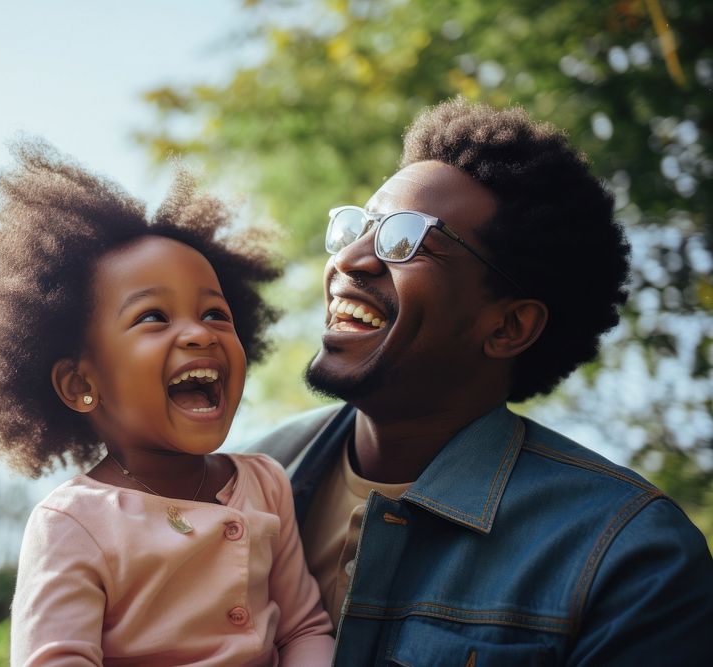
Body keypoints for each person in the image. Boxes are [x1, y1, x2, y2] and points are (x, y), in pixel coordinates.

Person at [250, 98, 713, 665]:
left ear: (508, 326)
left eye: (407, 240)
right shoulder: (228, 482)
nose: (350, 258)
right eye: (358, 227)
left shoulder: (627, 557)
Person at [0, 141, 334, 666]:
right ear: (80, 383)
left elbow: (305, 628)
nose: (199, 333)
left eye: (216, 313)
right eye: (153, 318)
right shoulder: (73, 522)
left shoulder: (264, 484)